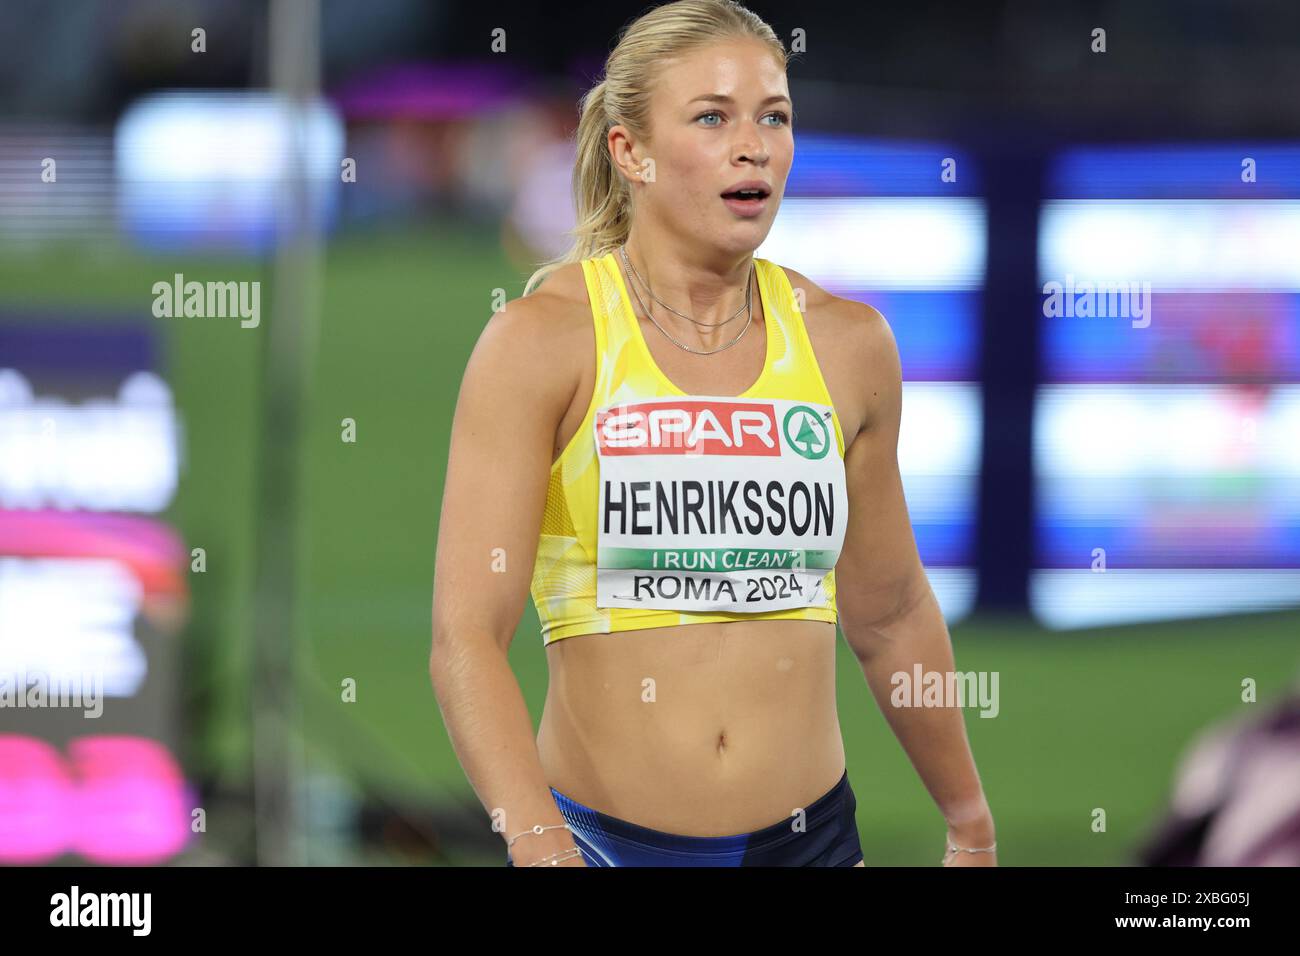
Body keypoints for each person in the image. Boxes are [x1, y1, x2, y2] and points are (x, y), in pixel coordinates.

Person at [430, 0, 996, 867]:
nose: (754, 145)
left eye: (775, 116)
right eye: (712, 117)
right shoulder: (541, 342)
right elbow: (466, 636)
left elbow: (890, 613)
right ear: (631, 153)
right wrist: (540, 841)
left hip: (813, 843)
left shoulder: (848, 345)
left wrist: (968, 822)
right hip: (600, 848)